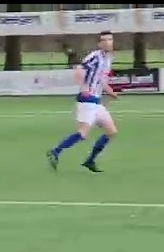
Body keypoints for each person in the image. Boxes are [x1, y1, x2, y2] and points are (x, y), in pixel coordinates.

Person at [48, 31, 118, 173]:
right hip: (86, 101)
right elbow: (79, 70)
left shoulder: (109, 59)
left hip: (96, 102)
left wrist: (110, 92)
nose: (108, 42)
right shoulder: (95, 56)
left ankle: (89, 161)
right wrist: (84, 87)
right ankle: (55, 151)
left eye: (110, 40)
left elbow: (101, 79)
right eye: (104, 40)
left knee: (111, 132)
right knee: (82, 134)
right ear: (99, 44)